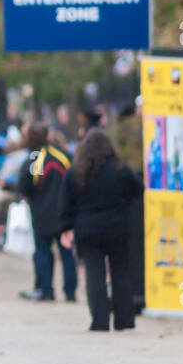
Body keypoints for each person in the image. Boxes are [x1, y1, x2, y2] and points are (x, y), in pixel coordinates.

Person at [61, 129, 144, 331]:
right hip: (118, 227)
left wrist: (67, 227)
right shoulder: (120, 169)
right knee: (120, 272)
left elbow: (65, 203)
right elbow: (138, 188)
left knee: (94, 274)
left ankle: (100, 320)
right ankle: (124, 319)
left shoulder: (76, 172)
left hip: (88, 228)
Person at [17, 124, 77, 302]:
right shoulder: (63, 155)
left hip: (41, 214)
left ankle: (45, 290)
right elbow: (75, 178)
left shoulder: (33, 159)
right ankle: (70, 291)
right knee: (66, 251)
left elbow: (24, 187)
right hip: (64, 213)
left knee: (42, 251)